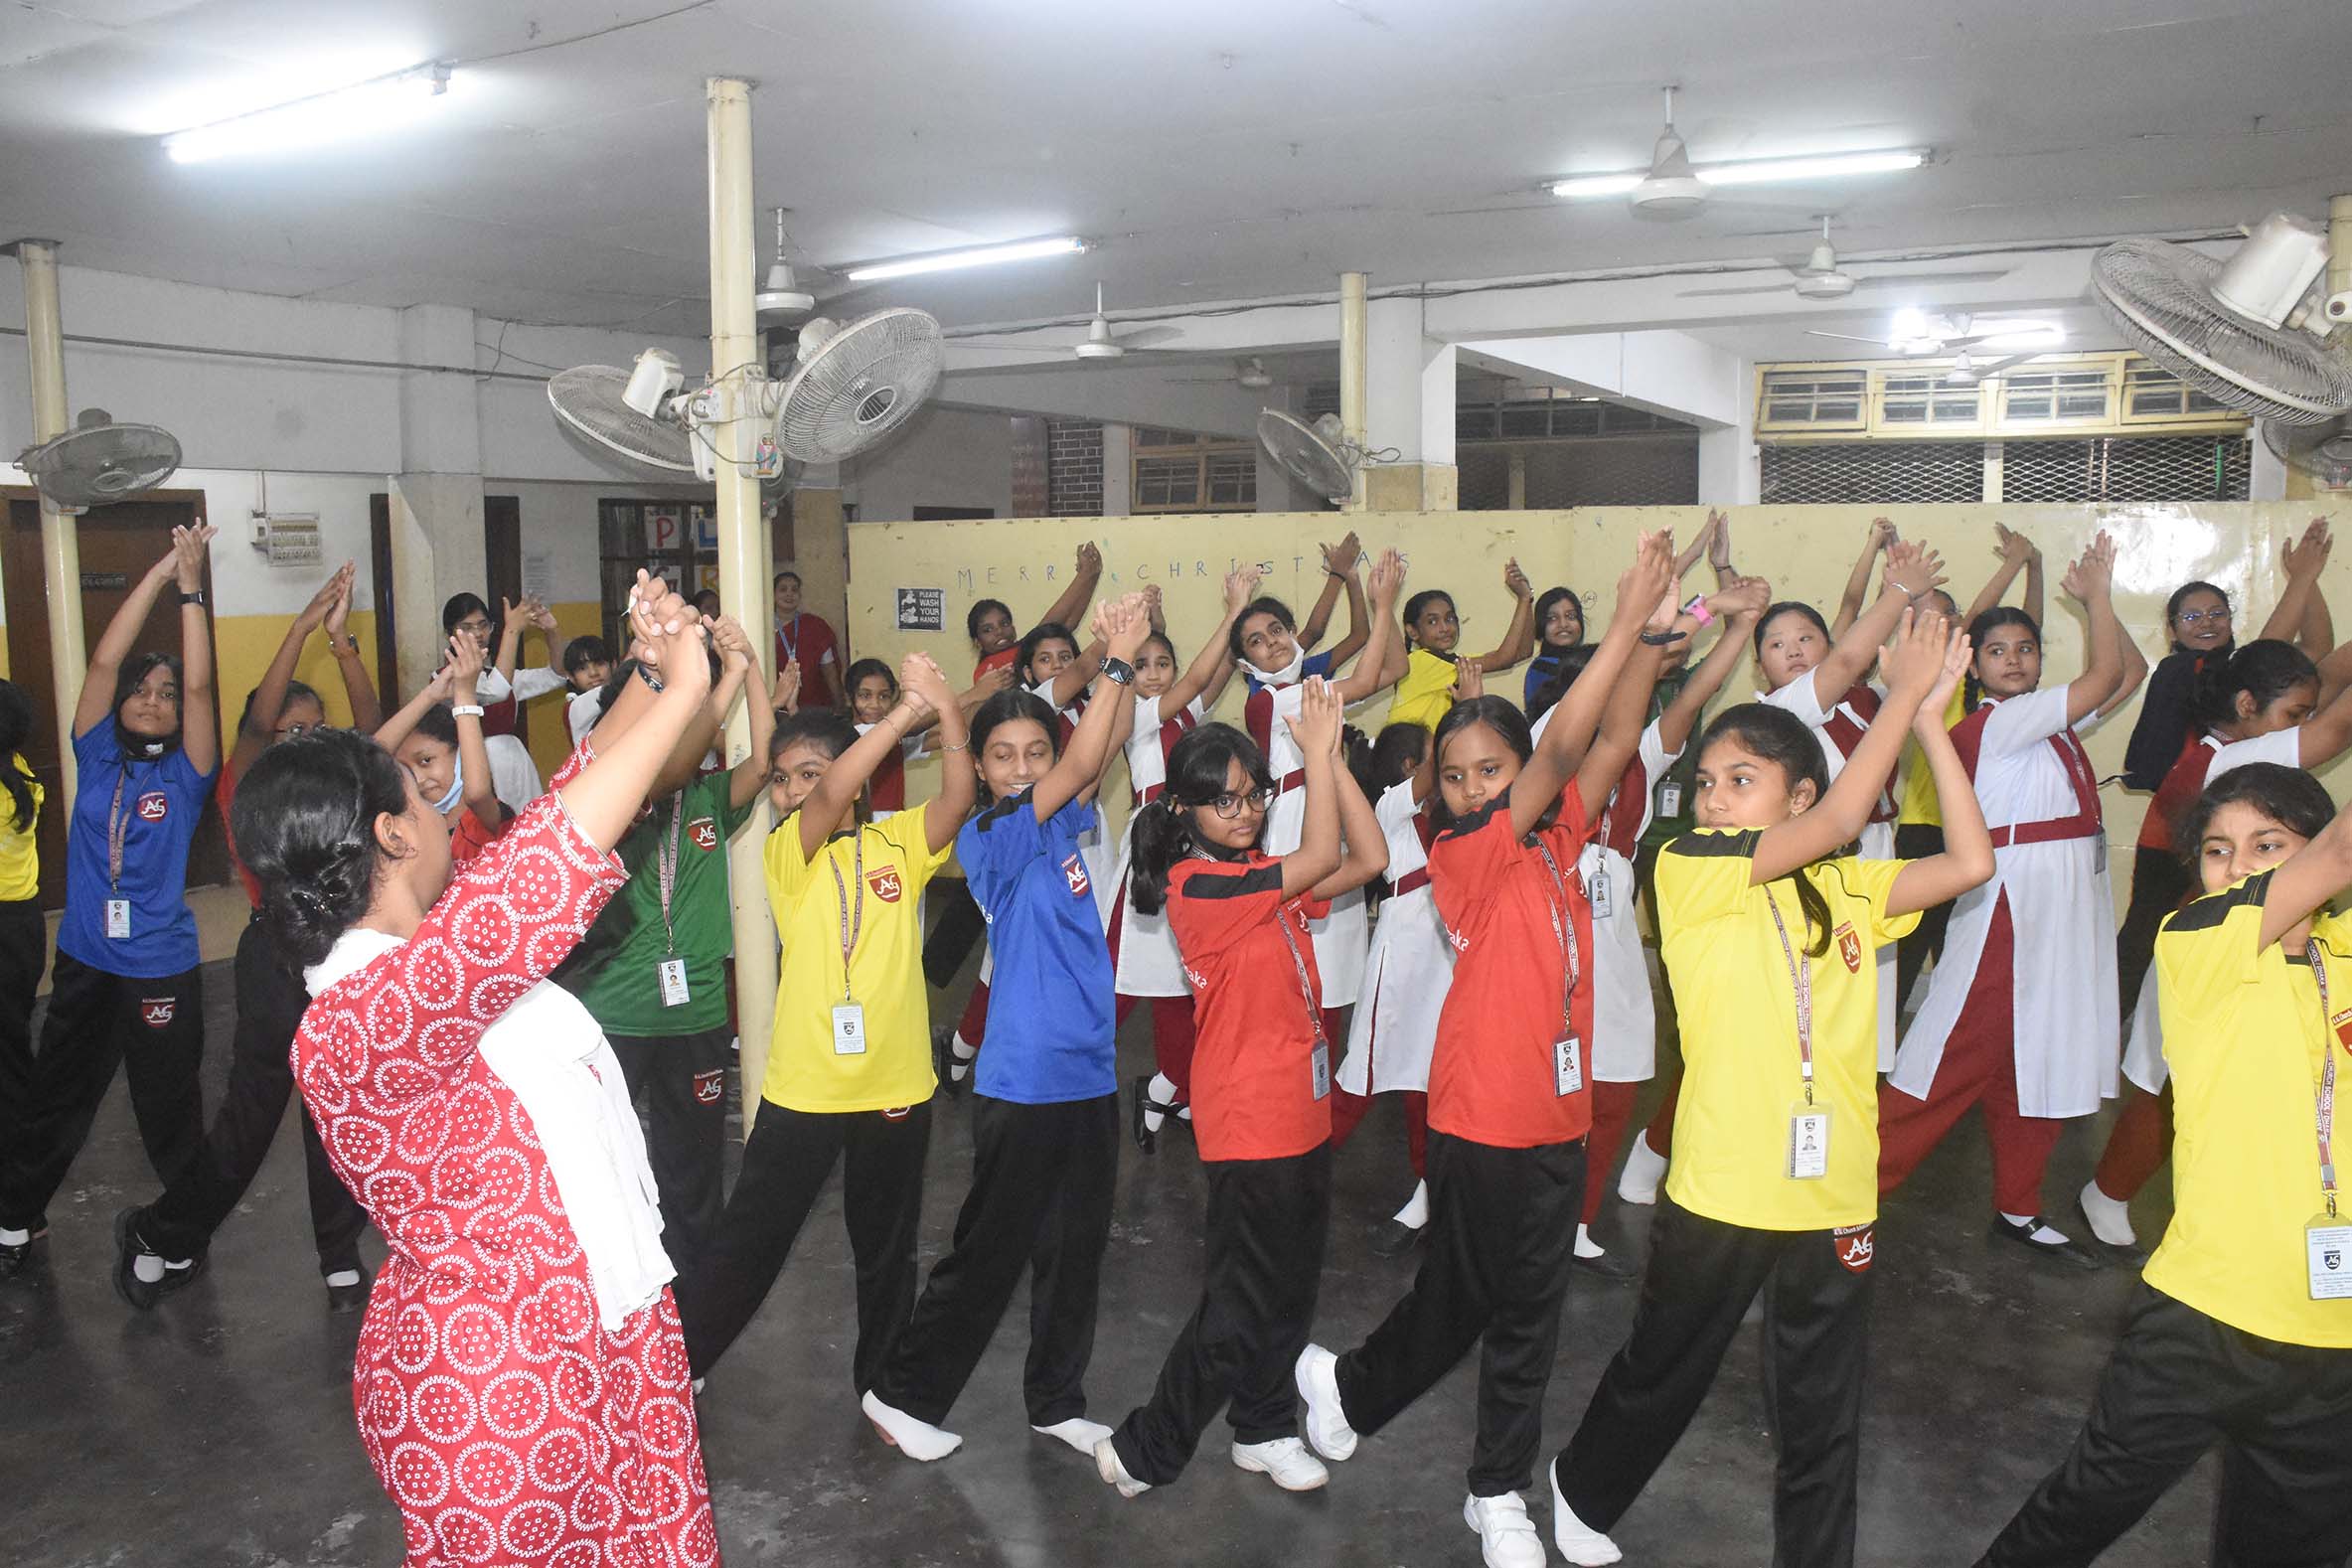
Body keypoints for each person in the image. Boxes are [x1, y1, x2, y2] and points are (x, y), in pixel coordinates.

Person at [239, 570, 720, 1568]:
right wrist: (684, 690)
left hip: (598, 1335)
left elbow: (559, 809)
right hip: (499, 1390)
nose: (438, 802)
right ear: (394, 833)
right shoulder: (364, 1019)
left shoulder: (429, 968)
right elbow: (541, 867)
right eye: (420, 789)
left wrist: (649, 662)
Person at [1547, 611, 1992, 1568]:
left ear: (1796, 792)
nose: (1711, 798)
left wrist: (1924, 726)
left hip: (1833, 1187)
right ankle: (1578, 1489)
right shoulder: (1686, 865)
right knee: (1668, 1365)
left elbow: (1969, 863)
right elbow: (1836, 820)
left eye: (1738, 782)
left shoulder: (1851, 889)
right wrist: (1903, 693)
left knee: (1823, 1401)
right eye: (1704, 782)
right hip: (1723, 1184)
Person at [1292, 534, 1677, 1568]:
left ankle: (1479, 1478)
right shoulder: (1467, 852)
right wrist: (1628, 620)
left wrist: (1647, 649)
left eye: (1486, 769)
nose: (1467, 787)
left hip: (1554, 1120)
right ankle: (1444, 1450)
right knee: (1468, 1305)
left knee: (1526, 1313)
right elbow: (1560, 752)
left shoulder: (1562, 846)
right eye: (1455, 775)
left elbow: (1613, 739)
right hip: (1480, 1117)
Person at [1974, 763, 2352, 1568]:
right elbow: (2340, 855)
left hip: (2335, 1331)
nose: (2239, 864)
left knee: (2294, 1546)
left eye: (2267, 843)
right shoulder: (2198, 942)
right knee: (2078, 1512)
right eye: (2217, 850)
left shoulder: (2341, 956)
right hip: (2203, 1319)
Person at [862, 596, 1151, 1464]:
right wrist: (1118, 660)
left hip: (1089, 1072)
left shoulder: (1064, 820)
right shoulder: (991, 835)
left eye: (1034, 752)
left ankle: (1055, 1399)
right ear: (981, 771)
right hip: (1022, 1079)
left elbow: (1094, 751)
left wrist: (1120, 670)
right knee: (988, 1253)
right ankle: (902, 1394)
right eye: (1002, 756)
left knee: (1073, 1250)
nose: (1022, 768)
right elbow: (1082, 755)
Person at [1096, 679, 1389, 1498]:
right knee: (1236, 1302)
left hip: (1299, 1109)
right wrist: (1322, 759)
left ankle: (1260, 1427)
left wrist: (1335, 770)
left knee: (1289, 1288)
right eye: (1222, 802)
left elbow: (1369, 860)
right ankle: (1145, 1445)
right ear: (1184, 811)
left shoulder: (1261, 875)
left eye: (1253, 796)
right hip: (1248, 1117)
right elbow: (1328, 856)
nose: (1245, 812)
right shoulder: (1201, 887)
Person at [1617, 534, 1949, 1206]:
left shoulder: (1857, 701)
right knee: (1745, 1034)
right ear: (1763, 671)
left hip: (1852, 866)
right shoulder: (1783, 712)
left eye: (1807, 637)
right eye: (1776, 643)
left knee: (1824, 1037)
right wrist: (1901, 590)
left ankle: (1810, 1168)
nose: (1796, 650)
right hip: (1776, 869)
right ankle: (1659, 1147)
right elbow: (1856, 648)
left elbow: (1859, 652)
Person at [676, 646, 975, 1390]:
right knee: (751, 1240)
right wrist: (907, 708)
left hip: (895, 1081)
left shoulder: (897, 841)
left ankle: (881, 1385)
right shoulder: (787, 850)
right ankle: (678, 1371)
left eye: (809, 773)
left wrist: (945, 712)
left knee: (886, 1247)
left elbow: (958, 800)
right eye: (780, 779)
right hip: (807, 1087)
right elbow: (828, 798)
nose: (791, 791)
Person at [114, 560, 380, 1311]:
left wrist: (345, 644)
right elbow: (262, 720)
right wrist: (300, 629)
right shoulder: (248, 775)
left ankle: (338, 1251)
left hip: (341, 957)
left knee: (337, 1109)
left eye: (313, 727)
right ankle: (163, 1231)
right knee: (250, 1117)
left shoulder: (341, 782)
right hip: (273, 955)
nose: (303, 736)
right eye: (291, 727)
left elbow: (369, 729)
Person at [1879, 535, 2133, 1266]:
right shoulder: (1997, 722)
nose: (2014, 659)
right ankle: (1845, 1193)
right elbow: (2109, 670)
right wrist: (2096, 600)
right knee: (1954, 1053)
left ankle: (2018, 1206)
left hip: (2064, 905)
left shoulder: (2047, 728)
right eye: (1998, 651)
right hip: (2011, 902)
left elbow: (2128, 672)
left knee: (2036, 1057)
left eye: (2025, 648)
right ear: (1974, 668)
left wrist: (2085, 598)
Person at [2079, 634, 2352, 1254]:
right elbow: (2336, 730)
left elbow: (2327, 674)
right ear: (2249, 703)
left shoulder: (2234, 752)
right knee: (2166, 1085)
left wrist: (2307, 580)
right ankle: (2108, 1192)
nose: (2305, 727)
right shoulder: (2230, 766)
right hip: (2209, 943)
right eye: (2294, 716)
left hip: (2247, 938)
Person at [0, 525, 219, 1277]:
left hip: (159, 965)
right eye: (142, 689)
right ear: (120, 702)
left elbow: (198, 686)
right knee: (57, 1097)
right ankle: (15, 1220)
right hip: (87, 958)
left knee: (169, 1111)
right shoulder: (93, 754)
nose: (156, 700)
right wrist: (160, 572)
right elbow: (100, 658)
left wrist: (192, 591)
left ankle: (183, 1234)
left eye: (164, 693)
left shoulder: (186, 775)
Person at [1569, 571, 1772, 1279]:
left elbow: (1690, 694)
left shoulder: (1641, 756)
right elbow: (1649, 657)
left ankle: (1580, 1218)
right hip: (1549, 926)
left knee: (1615, 1078)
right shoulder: (1550, 746)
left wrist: (1738, 630)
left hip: (1614, 928)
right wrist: (1706, 607)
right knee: (1549, 1084)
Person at [555, 615, 773, 1271]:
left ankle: (693, 1307)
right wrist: (718, 678)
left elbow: (762, 762)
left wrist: (747, 668)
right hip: (613, 1016)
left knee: (692, 1167)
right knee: (604, 1158)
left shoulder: (708, 796)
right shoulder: (609, 800)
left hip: (696, 1013)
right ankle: (611, 1281)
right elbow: (666, 767)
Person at [1236, 550, 1408, 1044]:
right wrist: (1381, 601)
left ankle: (1316, 1076)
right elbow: (1368, 678)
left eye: (1276, 631)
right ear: (1246, 662)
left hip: (1327, 809)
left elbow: (1392, 665)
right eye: (1256, 641)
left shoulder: (1306, 682)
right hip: (1297, 823)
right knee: (1304, 962)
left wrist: (1382, 609)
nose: (1271, 643)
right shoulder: (1268, 701)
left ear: (1292, 633)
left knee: (1332, 970)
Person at [1872, 522, 2046, 1011]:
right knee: (1907, 947)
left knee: (1963, 945)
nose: (1947, 623)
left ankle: (1950, 1036)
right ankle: (1882, 1050)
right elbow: (1980, 623)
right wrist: (2013, 563)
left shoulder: (1988, 687)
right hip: (1928, 828)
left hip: (1978, 830)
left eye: (1949, 614)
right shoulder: (1926, 680)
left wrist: (2034, 566)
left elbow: (2020, 627)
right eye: (1933, 617)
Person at [1119, 571, 1255, 1146]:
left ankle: (1169, 1088)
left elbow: (1217, 667)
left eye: (1163, 664)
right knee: (1127, 981)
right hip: (1153, 846)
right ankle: (1095, 1080)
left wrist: (1239, 625)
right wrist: (1234, 608)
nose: (1154, 675)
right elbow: (1202, 671)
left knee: (1184, 982)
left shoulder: (1182, 716)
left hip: (1194, 848)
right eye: (1143, 664)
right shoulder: (1130, 714)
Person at [1332, 717, 1446, 1253]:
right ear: (1410, 768)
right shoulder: (1391, 810)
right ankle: (1301, 1170)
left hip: (1446, 960)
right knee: (1364, 1072)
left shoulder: (1454, 817)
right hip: (1401, 957)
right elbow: (1430, 779)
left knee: (1430, 1080)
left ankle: (1427, 1196)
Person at [2118, 518, 2332, 794]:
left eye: (2217, 614)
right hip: (2192, 795)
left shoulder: (2236, 667)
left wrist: (2307, 578)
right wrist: (2301, 578)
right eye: (2192, 617)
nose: (2206, 623)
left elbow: (2318, 646)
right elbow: (2266, 658)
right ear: (2171, 630)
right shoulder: (2178, 669)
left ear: (2231, 621)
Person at [0, 681, 47, 1258]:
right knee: (13, 1055)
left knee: (9, 1068)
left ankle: (18, 1203)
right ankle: (25, 1204)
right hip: (23, 927)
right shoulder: (19, 773)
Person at [1388, 559, 1535, 731]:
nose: (1444, 628)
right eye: (1432, 621)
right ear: (1413, 631)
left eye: (1449, 618)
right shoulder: (1422, 661)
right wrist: (1523, 599)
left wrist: (1527, 600)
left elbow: (1523, 651)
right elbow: (1503, 659)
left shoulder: (1444, 663)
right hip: (1406, 749)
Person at [773, 567, 840, 710]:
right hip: (774, 700)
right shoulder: (763, 627)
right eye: (783, 589)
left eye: (794, 590)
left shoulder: (815, 626)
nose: (789, 594)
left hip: (813, 702)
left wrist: (839, 703)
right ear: (773, 595)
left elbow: (828, 668)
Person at [1523, 586, 1586, 710]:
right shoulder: (1541, 669)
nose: (1563, 624)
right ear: (1541, 626)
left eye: (1571, 616)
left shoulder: (1589, 660)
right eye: (1552, 618)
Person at [562, 633, 616, 744]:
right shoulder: (573, 707)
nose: (593, 673)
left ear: (614, 665)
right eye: (582, 668)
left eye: (599, 664)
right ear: (571, 677)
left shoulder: (625, 693)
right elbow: (606, 694)